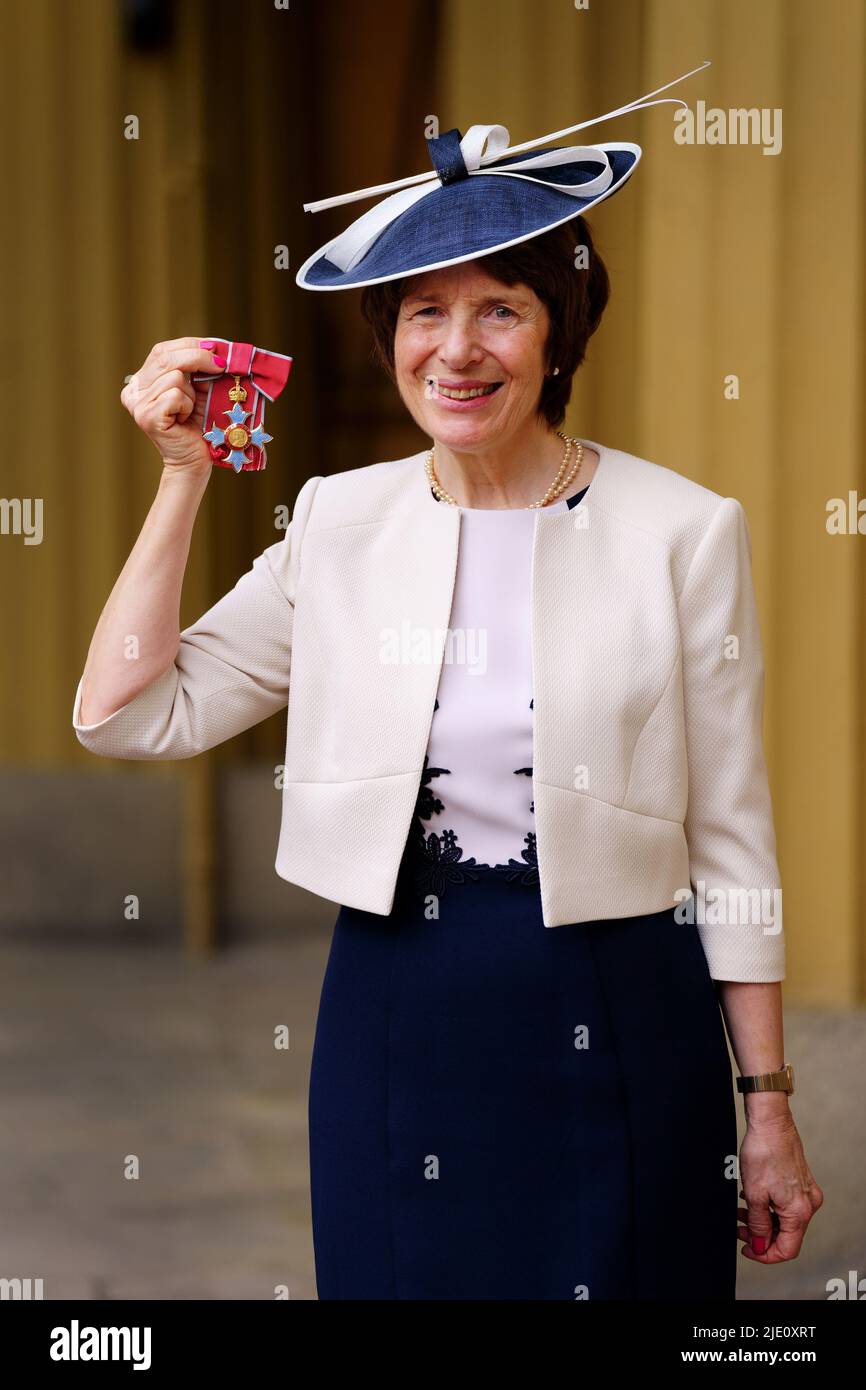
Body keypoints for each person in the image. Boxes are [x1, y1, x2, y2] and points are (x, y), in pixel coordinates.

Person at [73, 66, 822, 1300]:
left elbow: (732, 840)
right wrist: (181, 477)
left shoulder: (681, 530)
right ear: (387, 339)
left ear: (558, 330)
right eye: (422, 312)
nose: (455, 350)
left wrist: (767, 1106)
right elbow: (125, 714)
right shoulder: (337, 522)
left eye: (500, 310)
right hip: (397, 1012)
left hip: (621, 1009)